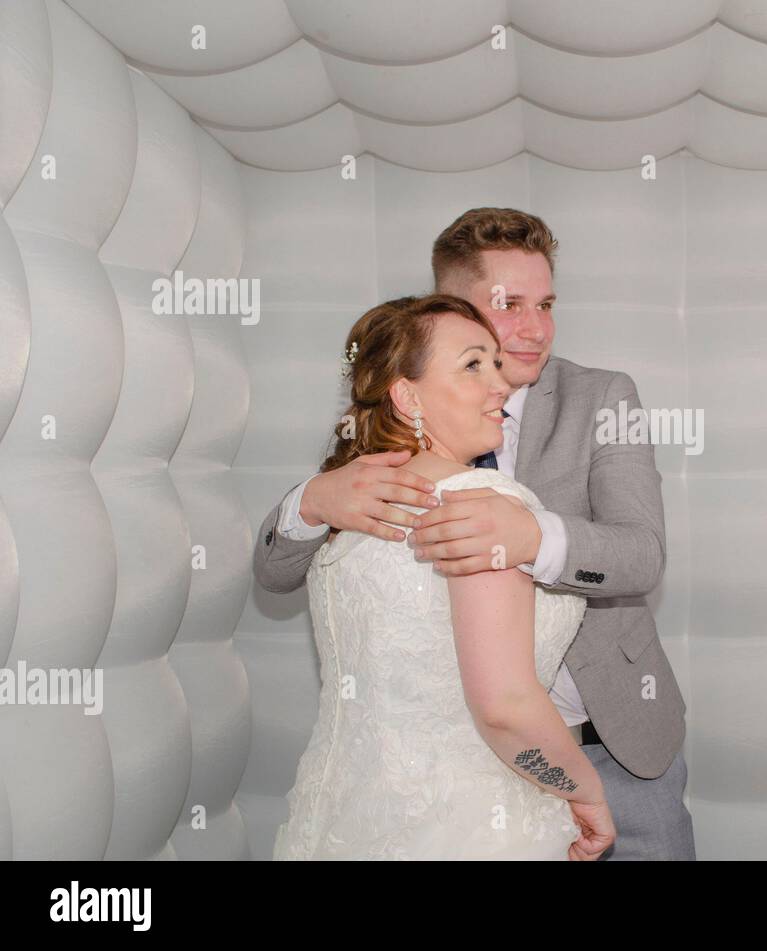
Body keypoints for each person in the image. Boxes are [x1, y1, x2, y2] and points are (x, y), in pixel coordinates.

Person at [257, 208, 694, 860]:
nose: (536, 328)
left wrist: (532, 536)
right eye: (509, 304)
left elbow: (641, 554)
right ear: (450, 308)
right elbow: (275, 570)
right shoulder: (378, 456)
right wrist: (310, 500)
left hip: (608, 744)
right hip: (452, 780)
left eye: (546, 303)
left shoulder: (603, 396)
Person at [273, 293, 612, 860]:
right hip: (473, 830)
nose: (501, 386)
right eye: (473, 364)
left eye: (496, 365)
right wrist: (586, 792)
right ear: (408, 396)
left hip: (336, 823)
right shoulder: (481, 501)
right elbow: (503, 706)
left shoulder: (346, 508)